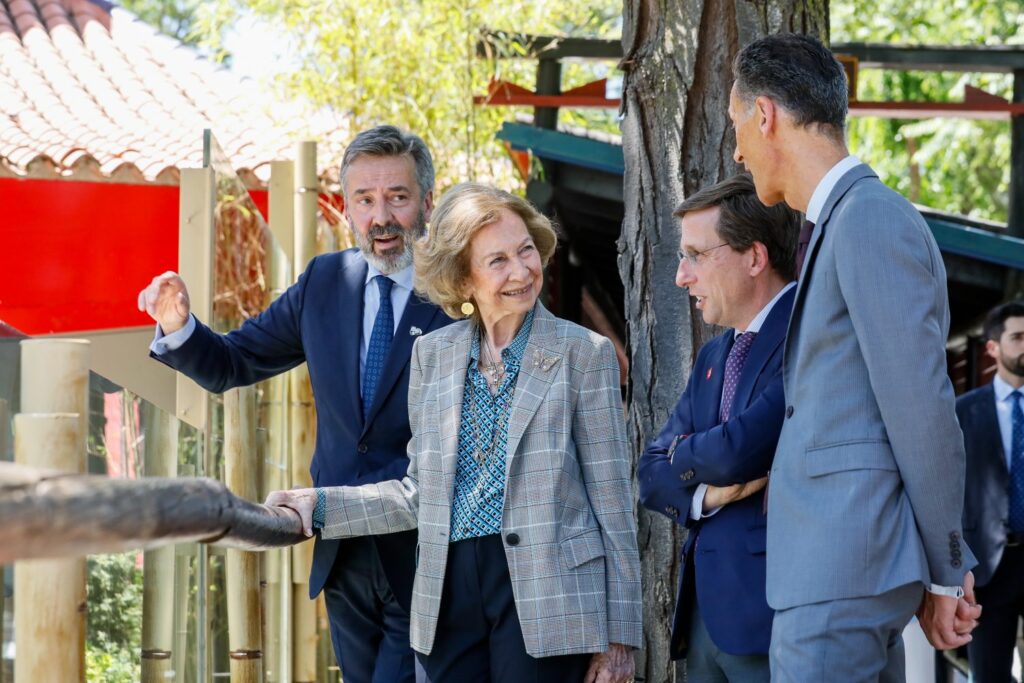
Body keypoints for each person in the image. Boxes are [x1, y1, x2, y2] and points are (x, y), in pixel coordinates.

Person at [265, 182, 642, 683]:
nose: (522, 270)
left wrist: (621, 638)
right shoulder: (433, 356)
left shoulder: (584, 354)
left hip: (548, 594)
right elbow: (417, 493)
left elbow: (613, 503)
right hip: (447, 592)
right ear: (463, 281)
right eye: (498, 260)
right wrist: (322, 505)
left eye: (525, 250)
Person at [137, 125, 453, 683]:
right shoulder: (325, 281)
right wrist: (179, 326)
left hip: (433, 555)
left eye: (397, 198)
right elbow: (234, 362)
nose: (381, 217)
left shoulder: (457, 292)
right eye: (365, 199)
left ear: (427, 201)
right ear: (346, 207)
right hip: (341, 553)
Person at [728, 33, 983, 679]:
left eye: (737, 126)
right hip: (836, 570)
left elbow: (922, 408)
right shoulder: (843, 221)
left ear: (765, 115)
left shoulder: (868, 218)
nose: (736, 149)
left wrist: (947, 570)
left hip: (840, 570)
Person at [638, 173, 798, 681]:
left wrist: (682, 454)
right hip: (703, 618)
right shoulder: (715, 353)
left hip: (771, 617)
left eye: (696, 255)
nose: (682, 277)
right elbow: (647, 473)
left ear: (754, 257)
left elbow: (741, 451)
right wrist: (710, 495)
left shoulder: (806, 332)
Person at [958, 301, 1024, 682]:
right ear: (992, 348)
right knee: (990, 676)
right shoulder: (962, 412)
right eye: (1017, 337)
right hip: (988, 568)